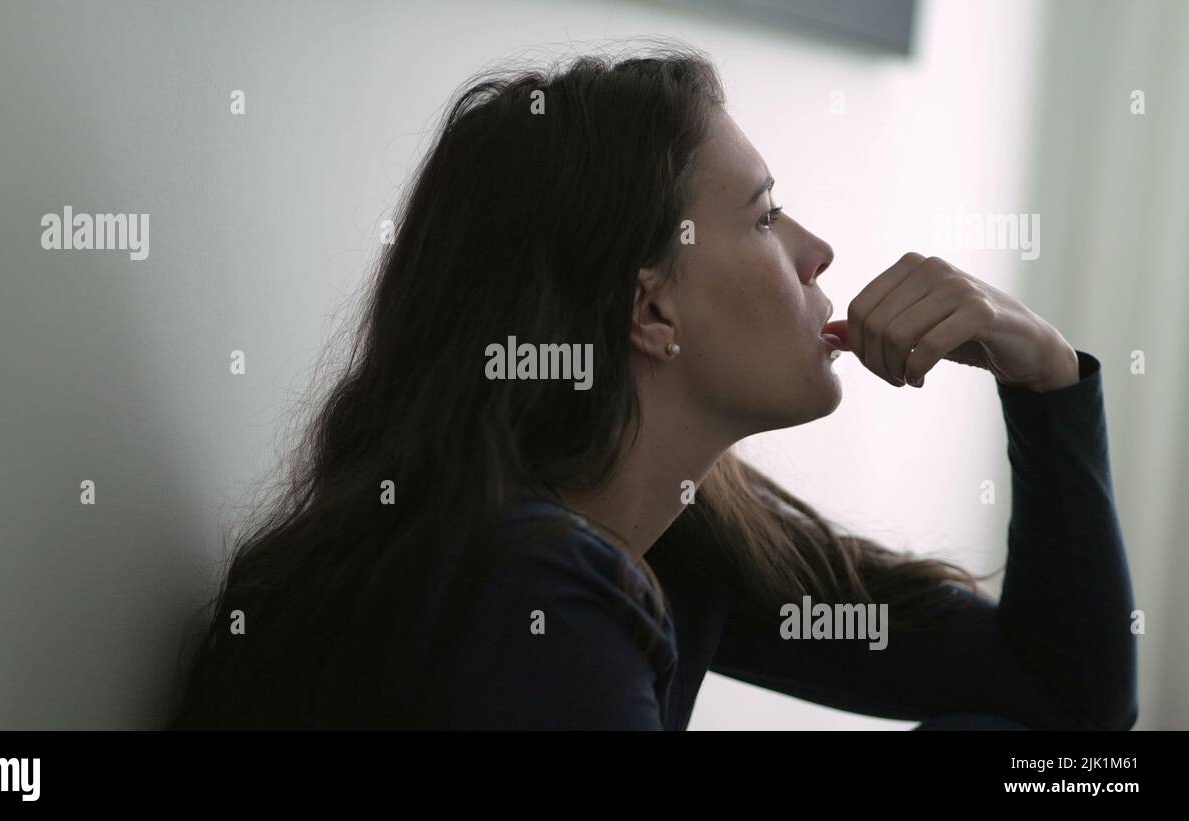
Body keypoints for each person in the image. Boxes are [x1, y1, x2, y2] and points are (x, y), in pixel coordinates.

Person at [169, 42, 1137, 730]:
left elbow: (1063, 702)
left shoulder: (673, 540)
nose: (817, 251)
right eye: (764, 218)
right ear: (651, 312)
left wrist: (1042, 368)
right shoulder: (528, 595)